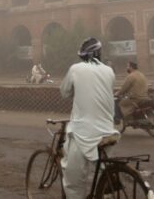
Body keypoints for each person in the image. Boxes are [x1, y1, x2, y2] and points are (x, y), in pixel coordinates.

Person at [59, 38, 119, 198]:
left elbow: (64, 92)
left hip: (83, 133)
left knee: (73, 181)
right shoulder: (109, 71)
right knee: (101, 168)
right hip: (108, 131)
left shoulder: (75, 69)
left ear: (83, 56)